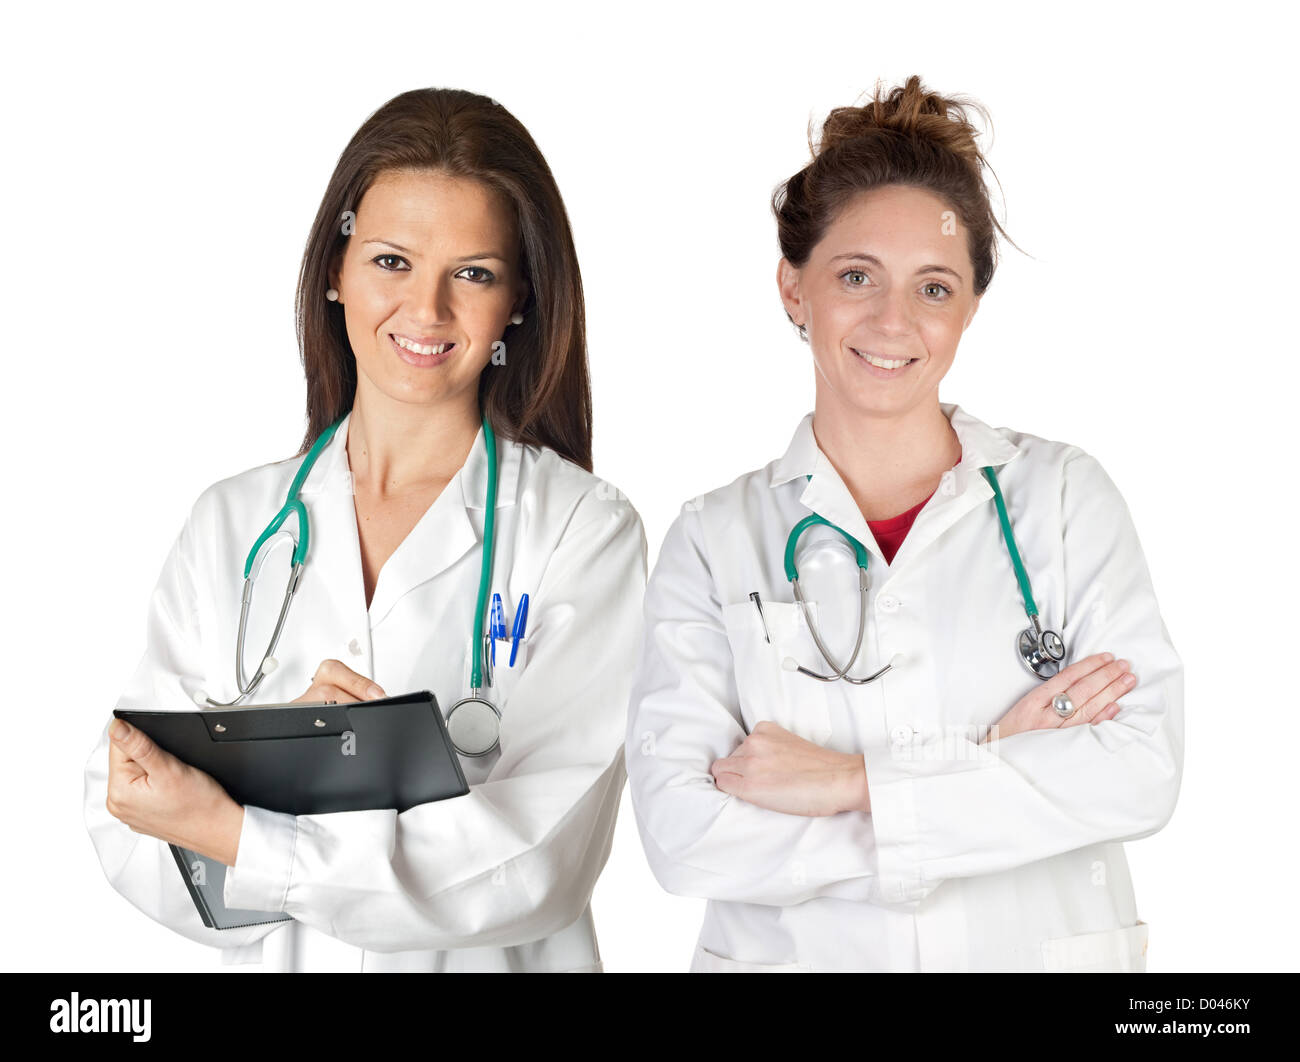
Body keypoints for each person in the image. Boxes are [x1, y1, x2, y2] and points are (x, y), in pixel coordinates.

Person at [625, 75, 1183, 972]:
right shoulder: (711, 539)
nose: (893, 321)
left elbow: (1138, 771)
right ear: (792, 288)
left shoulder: (1066, 501)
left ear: (969, 308)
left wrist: (849, 786)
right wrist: (990, 778)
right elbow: (684, 837)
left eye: (933, 287)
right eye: (856, 277)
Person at [84, 87, 647, 973]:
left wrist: (246, 825)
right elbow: (125, 809)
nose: (426, 310)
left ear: (518, 303)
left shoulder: (583, 530)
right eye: (392, 261)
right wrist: (286, 775)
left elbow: (538, 861)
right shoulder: (234, 525)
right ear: (336, 273)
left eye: (473, 273)